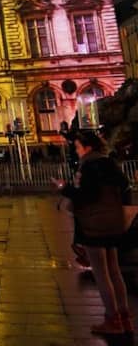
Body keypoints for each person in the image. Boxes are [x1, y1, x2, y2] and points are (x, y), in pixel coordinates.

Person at [56, 131, 133, 335]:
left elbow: (86, 195)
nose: (76, 150)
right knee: (114, 271)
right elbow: (125, 187)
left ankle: (112, 319)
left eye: (78, 147)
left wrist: (65, 188)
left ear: (87, 147)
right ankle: (125, 317)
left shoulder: (89, 166)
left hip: (94, 224)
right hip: (113, 222)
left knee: (101, 273)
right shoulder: (109, 163)